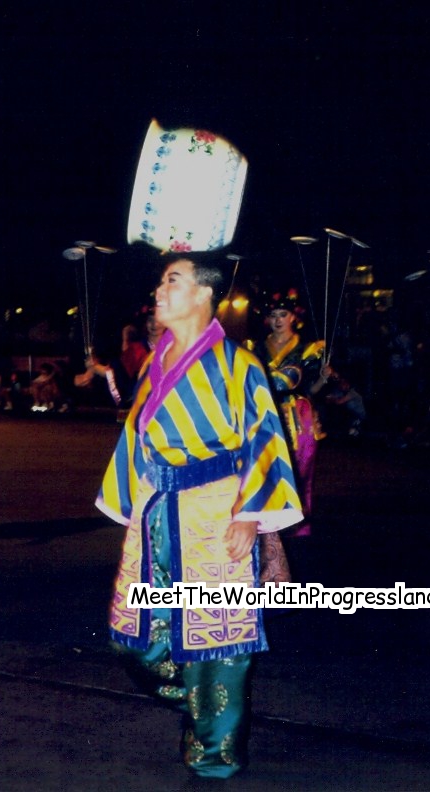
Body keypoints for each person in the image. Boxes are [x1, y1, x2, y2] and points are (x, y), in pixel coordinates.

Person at [96, 257, 303, 778]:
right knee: (133, 640)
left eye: (172, 280)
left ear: (204, 293)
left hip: (215, 514)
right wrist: (130, 501)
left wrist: (251, 515)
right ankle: (200, 706)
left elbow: (264, 439)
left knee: (218, 646)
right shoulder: (155, 361)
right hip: (156, 514)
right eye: (161, 280)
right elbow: (135, 437)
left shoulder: (240, 365)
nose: (159, 290)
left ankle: (215, 756)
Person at [255, 289, 324, 522]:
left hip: (298, 414)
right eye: (273, 315)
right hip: (265, 409)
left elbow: (311, 389)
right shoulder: (255, 348)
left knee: (300, 464)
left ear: (293, 317)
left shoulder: (308, 349)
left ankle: (298, 520)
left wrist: (323, 379)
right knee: (266, 464)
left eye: (283, 315)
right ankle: (269, 519)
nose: (278, 320)